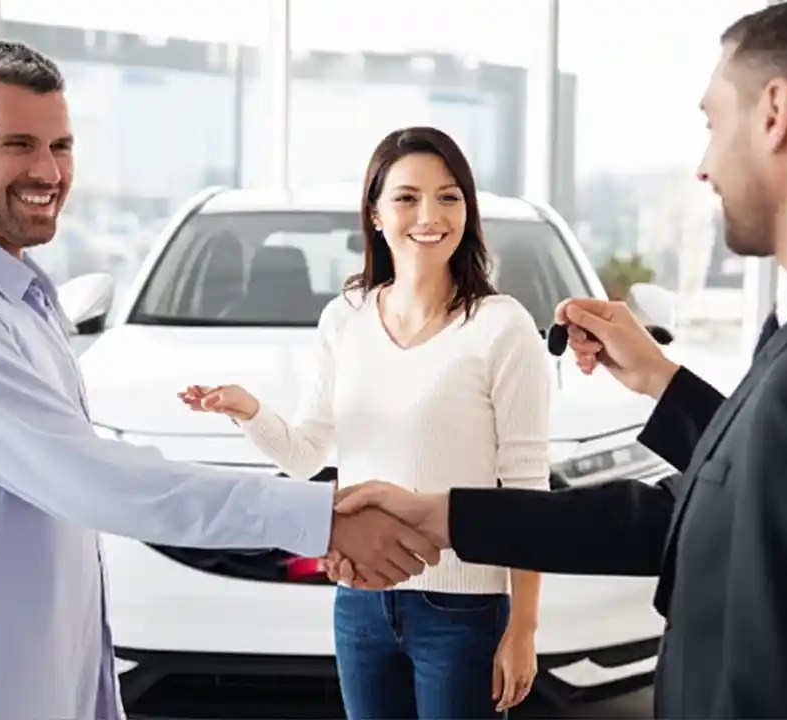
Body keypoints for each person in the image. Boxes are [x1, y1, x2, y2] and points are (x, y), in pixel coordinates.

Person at [332, 1, 787, 718]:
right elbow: (735, 494)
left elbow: (786, 675)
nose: (705, 167)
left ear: (775, 112)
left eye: (713, 123)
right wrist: (662, 383)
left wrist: (451, 526)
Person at [0, 41, 439, 720]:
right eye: (18, 145)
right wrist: (319, 519)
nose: (47, 170)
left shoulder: (17, 293)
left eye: (61, 146)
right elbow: (90, 478)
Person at [180, 126, 550, 718]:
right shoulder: (344, 318)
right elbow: (305, 455)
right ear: (375, 214)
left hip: (464, 610)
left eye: (448, 197)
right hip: (360, 602)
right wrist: (248, 410)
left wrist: (524, 627)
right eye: (407, 198)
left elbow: (527, 487)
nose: (429, 215)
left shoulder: (502, 327)